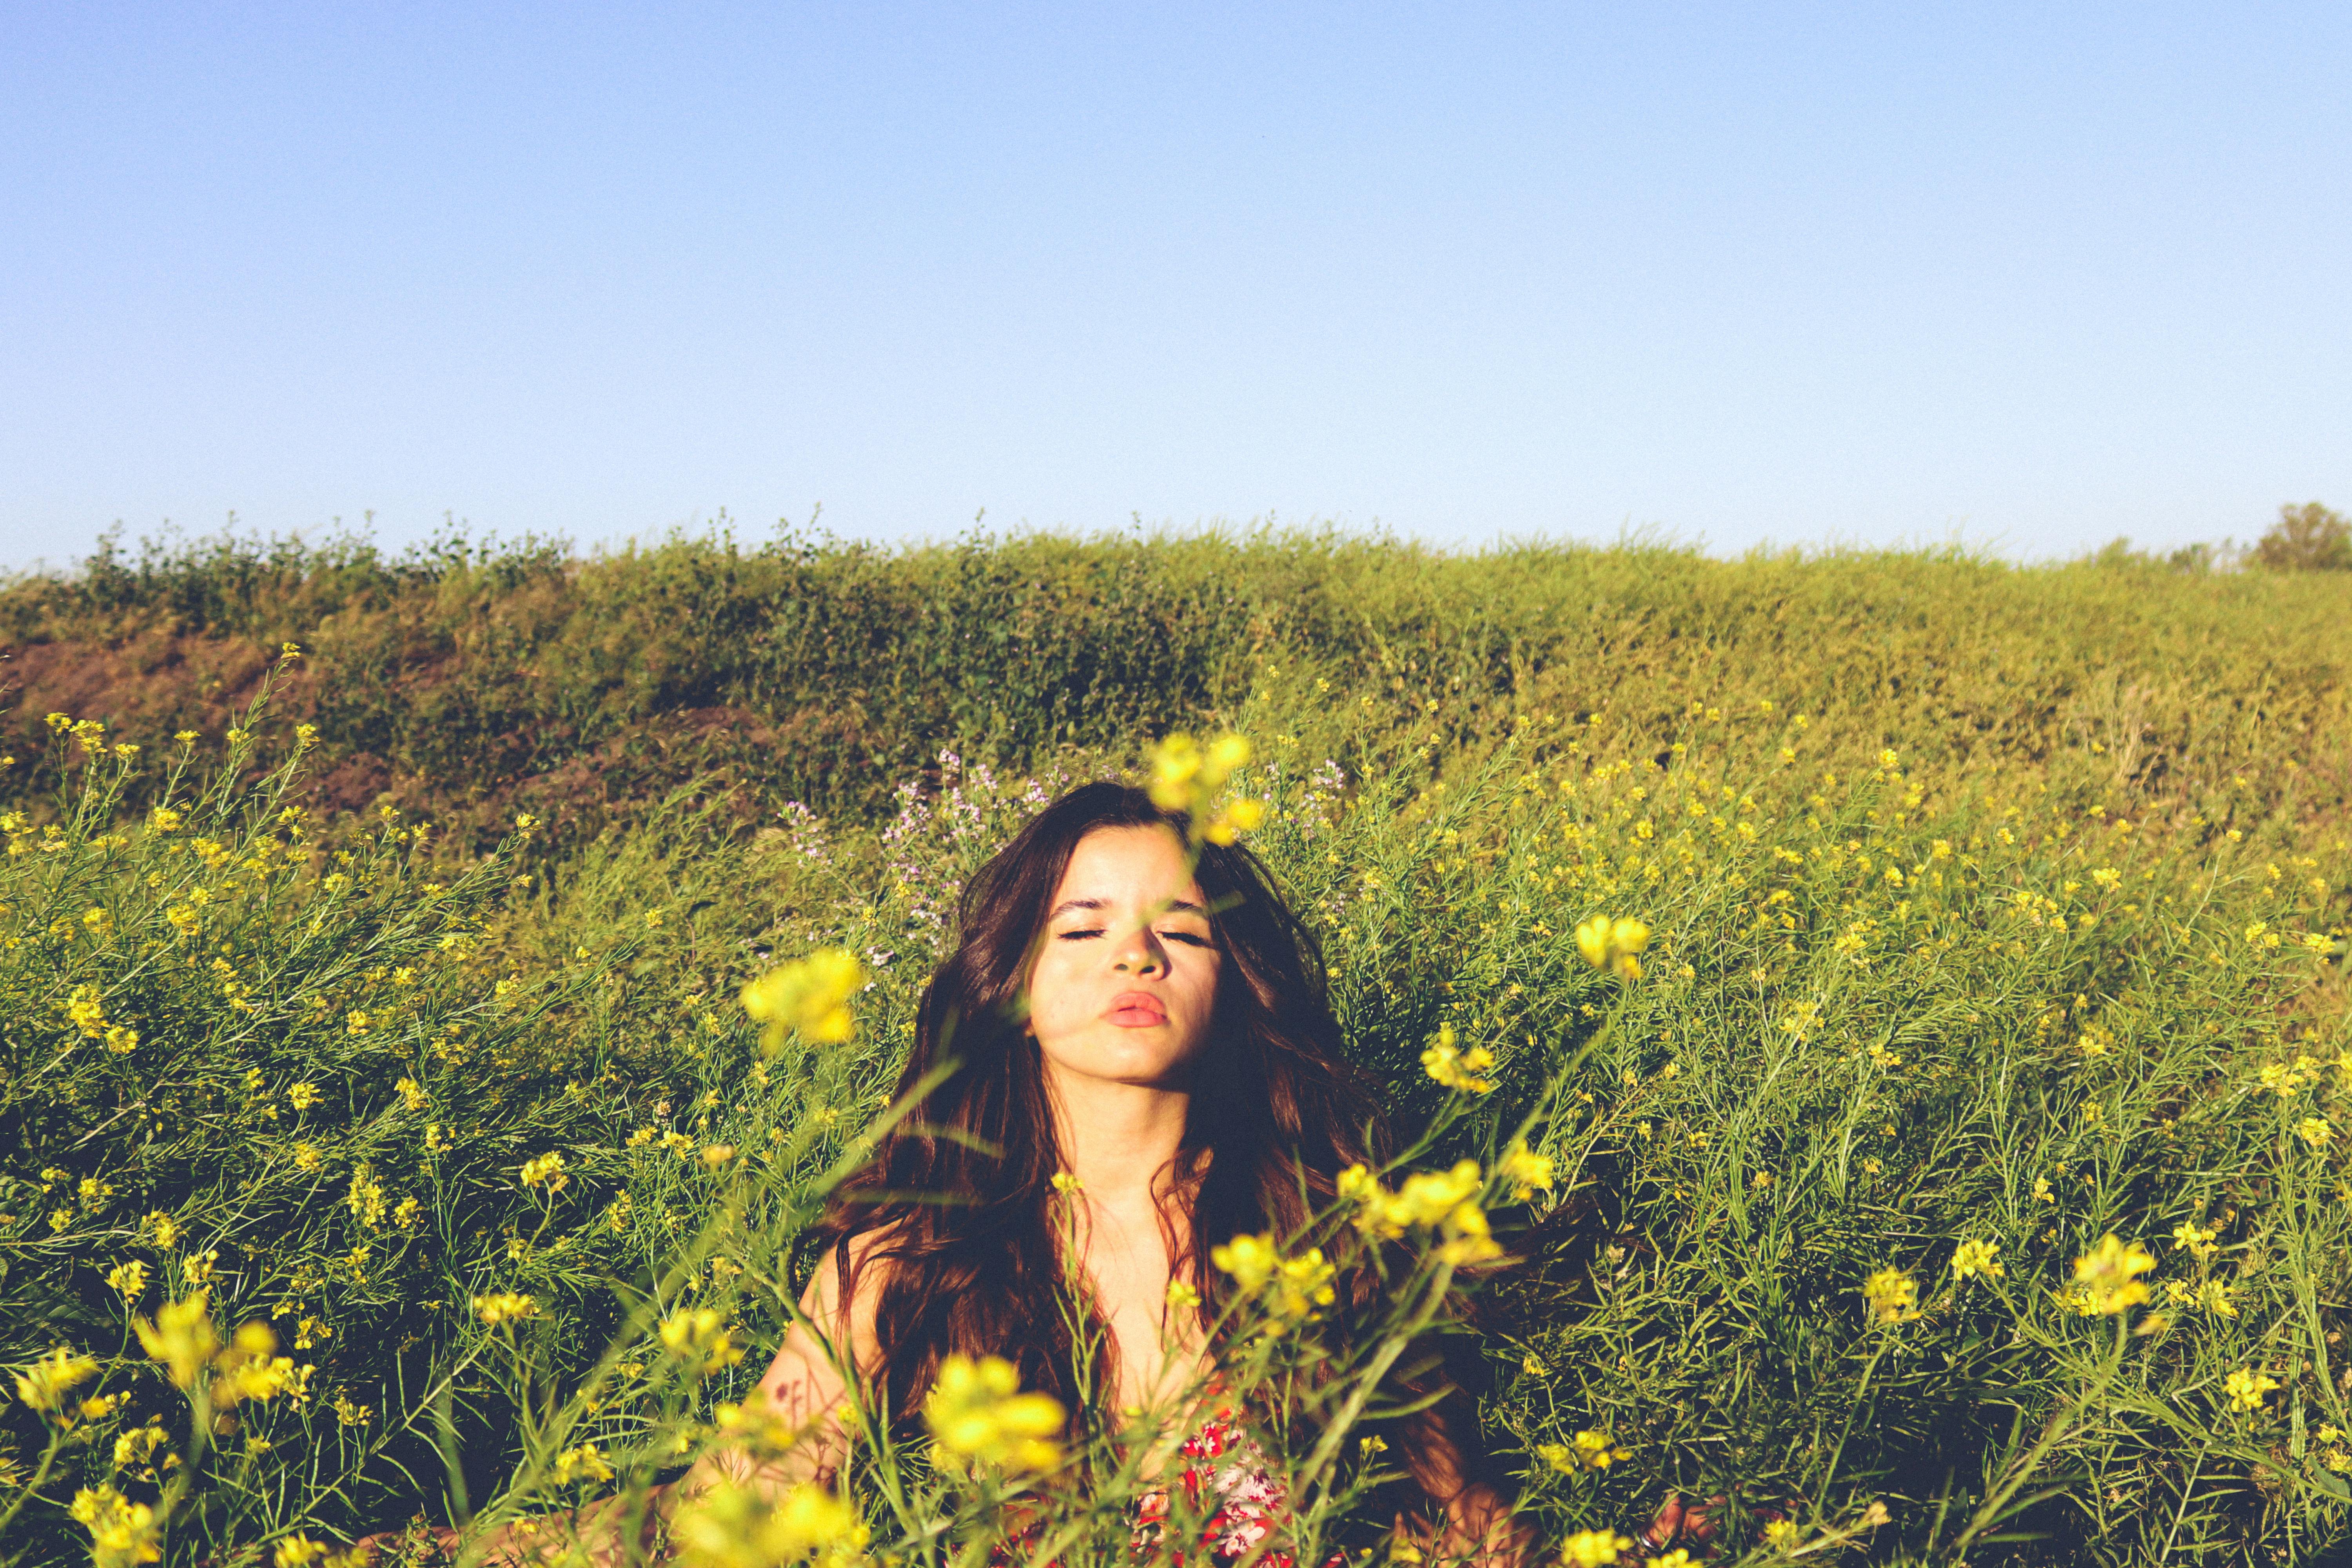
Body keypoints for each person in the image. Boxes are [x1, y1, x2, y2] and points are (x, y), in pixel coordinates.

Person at [379, 782, 1532, 1567]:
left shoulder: (1324, 1237)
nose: (1135, 953)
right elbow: (728, 1508)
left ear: (1233, 980)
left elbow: (1458, 1517)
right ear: (1013, 989)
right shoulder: (909, 1257)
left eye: (1182, 929)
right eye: (1080, 931)